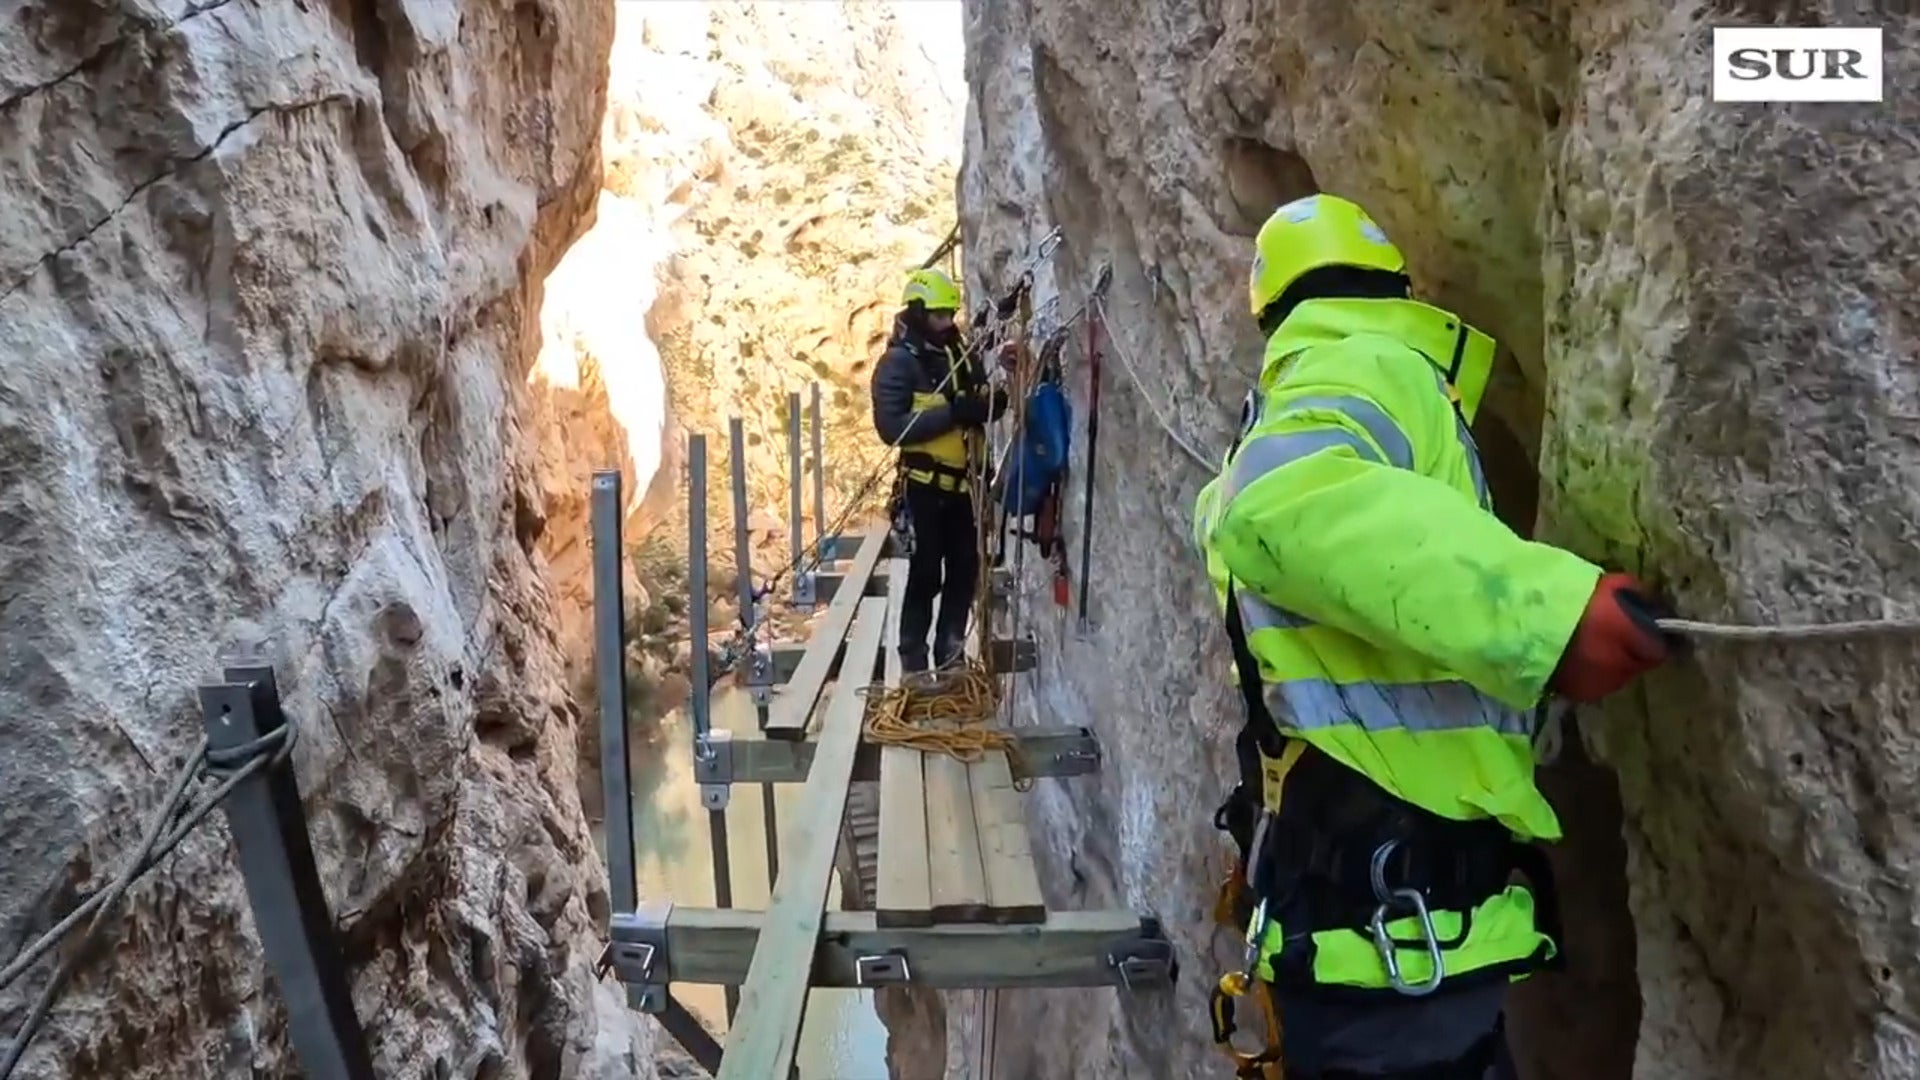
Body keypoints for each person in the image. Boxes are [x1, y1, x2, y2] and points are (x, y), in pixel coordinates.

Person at [1193, 193, 1674, 1079]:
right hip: (1390, 943)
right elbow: (1285, 503)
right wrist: (1548, 617)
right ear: (1396, 286)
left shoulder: (1296, 394)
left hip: (1381, 936)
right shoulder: (1365, 360)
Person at [869, 267, 1011, 672]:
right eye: (938, 315)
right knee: (926, 571)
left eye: (950, 314)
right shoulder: (898, 363)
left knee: (964, 569)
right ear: (917, 312)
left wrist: (991, 402)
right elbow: (892, 428)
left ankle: (950, 655)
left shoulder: (958, 353)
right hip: (924, 487)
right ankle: (912, 659)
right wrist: (953, 413)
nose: (947, 322)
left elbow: (979, 398)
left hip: (964, 487)